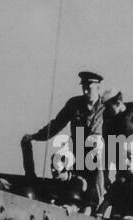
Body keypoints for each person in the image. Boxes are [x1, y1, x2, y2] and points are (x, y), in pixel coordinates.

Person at [21, 70, 110, 208]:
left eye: (89, 88)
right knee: (58, 162)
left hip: (98, 156)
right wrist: (36, 136)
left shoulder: (106, 108)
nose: (86, 92)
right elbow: (57, 124)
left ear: (98, 88)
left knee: (95, 166)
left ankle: (97, 203)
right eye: (84, 88)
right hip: (77, 152)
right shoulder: (74, 104)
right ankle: (57, 198)